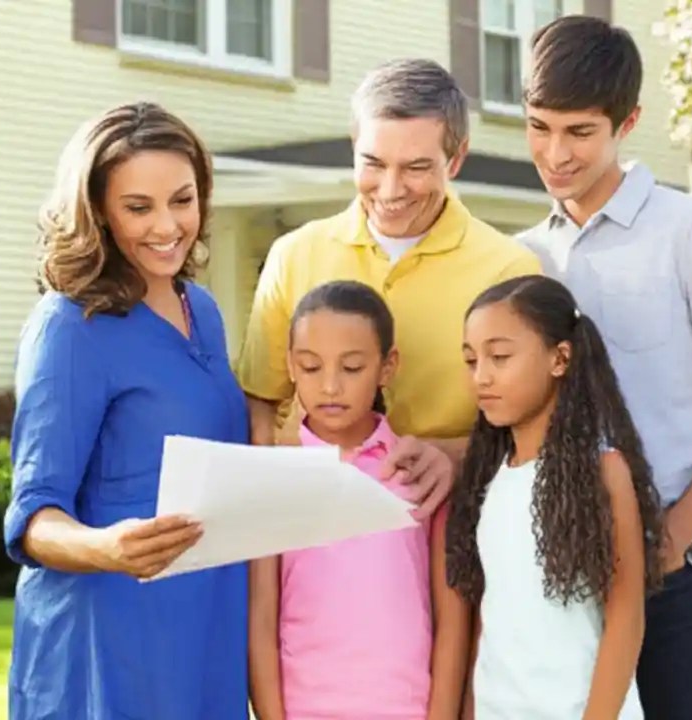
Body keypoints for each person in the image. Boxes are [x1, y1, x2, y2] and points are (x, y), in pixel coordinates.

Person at [515, 17, 692, 719]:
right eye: (540, 127)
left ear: (628, 122)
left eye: (580, 132)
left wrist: (672, 538)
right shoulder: (522, 258)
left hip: (677, 581)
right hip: (559, 582)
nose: (555, 153)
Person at [2, 102, 249, 719]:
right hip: (104, 635)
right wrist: (104, 547)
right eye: (139, 207)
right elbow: (34, 515)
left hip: (203, 618)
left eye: (182, 200)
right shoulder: (69, 326)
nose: (167, 226)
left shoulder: (202, 310)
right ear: (99, 213)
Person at [236, 58, 543, 520]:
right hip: (314, 526)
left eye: (416, 167)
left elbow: (537, 423)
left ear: (457, 158)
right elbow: (261, 401)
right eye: (373, 163)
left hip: (453, 528)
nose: (391, 189)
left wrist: (454, 457)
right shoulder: (293, 254)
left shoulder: (510, 270)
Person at [248, 280, 470, 720]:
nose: (330, 386)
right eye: (311, 367)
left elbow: (452, 622)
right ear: (290, 365)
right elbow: (261, 619)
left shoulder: (417, 473)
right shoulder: (274, 478)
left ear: (387, 367)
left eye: (351, 368)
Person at [448, 274, 664, 719]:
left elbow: (626, 618)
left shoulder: (604, 472)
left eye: (500, 357)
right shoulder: (487, 477)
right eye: (471, 360)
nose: (481, 376)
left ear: (560, 358)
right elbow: (490, 619)